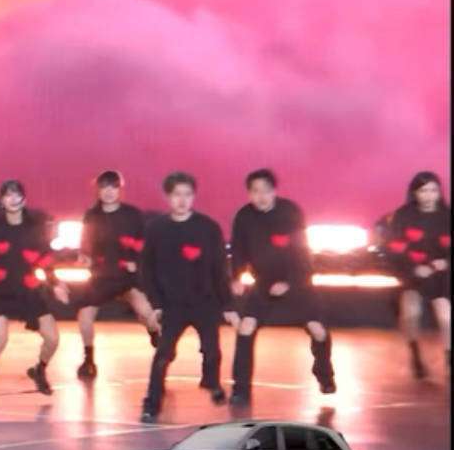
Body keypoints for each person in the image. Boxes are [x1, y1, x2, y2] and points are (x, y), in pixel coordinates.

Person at [228, 169, 334, 404]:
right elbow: (238, 251)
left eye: (265, 191)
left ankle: (324, 374)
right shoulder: (243, 217)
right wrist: (236, 277)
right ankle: (240, 389)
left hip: (298, 283)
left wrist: (290, 283)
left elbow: (302, 255)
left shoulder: (290, 212)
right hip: (264, 283)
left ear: (274, 191)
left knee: (318, 329)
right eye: (255, 192)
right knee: (246, 327)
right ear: (249, 193)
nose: (261, 197)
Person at [139, 172, 236, 423]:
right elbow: (146, 269)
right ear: (168, 197)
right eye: (177, 195)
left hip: (205, 302)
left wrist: (228, 305)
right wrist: (156, 304)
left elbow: (219, 269)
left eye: (187, 195)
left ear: (194, 197)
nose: (182, 200)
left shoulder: (208, 228)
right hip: (172, 305)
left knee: (212, 352)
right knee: (163, 355)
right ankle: (151, 404)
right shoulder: (156, 229)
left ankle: (211, 382)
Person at [0, 180, 69, 405]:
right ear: (1, 200)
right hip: (1, 291)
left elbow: (45, 258)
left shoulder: (34, 226)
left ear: (24, 199)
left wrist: (55, 283)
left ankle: (39, 369)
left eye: (17, 195)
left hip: (28, 290)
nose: (13, 199)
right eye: (8, 195)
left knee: (53, 339)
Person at [73, 170, 158, 379]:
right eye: (104, 187)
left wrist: (136, 262)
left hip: (127, 277)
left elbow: (145, 244)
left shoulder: (133, 215)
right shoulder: (92, 215)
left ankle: (156, 337)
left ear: (120, 190)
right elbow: (86, 243)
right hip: (101, 276)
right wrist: (84, 256)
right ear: (98, 191)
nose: (109, 192)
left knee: (147, 313)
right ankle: (88, 359)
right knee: (84, 315)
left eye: (113, 187)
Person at [387, 171, 451, 379]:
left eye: (433, 190)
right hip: (412, 273)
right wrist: (414, 268)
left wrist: (445, 262)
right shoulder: (403, 215)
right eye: (423, 191)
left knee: (446, 316)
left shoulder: (446, 215)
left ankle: (449, 359)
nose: (429, 195)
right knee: (411, 314)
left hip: (441, 274)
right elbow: (395, 247)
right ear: (414, 193)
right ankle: (415, 355)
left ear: (439, 192)